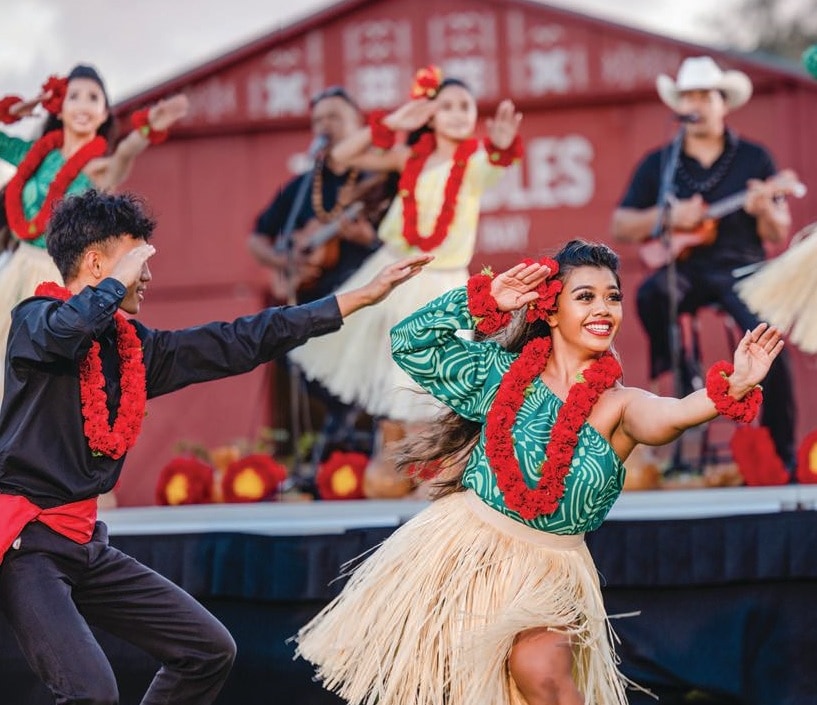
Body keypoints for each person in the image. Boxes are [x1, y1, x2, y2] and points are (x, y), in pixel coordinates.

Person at [294, 239, 784, 705]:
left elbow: (672, 414)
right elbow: (411, 344)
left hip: (550, 571)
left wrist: (732, 388)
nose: (603, 309)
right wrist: (486, 300)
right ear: (549, 311)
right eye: (585, 296)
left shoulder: (620, 407)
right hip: (463, 555)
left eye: (612, 297)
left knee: (542, 673)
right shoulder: (499, 376)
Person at [0, 189, 431, 705]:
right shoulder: (35, 321)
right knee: (93, 693)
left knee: (207, 650)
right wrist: (117, 279)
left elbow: (239, 340)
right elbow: (63, 332)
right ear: (97, 264)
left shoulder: (136, 351)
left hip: (85, 543)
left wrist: (352, 300)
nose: (149, 274)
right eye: (139, 259)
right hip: (26, 547)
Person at [288, 65, 523, 491]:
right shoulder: (408, 157)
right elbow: (340, 158)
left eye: (464, 106)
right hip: (395, 270)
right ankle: (392, 463)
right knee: (390, 368)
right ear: (429, 115)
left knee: (436, 379)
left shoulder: (473, 160)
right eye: (445, 105)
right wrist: (395, 122)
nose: (455, 113)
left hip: (442, 282)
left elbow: (493, 169)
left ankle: (433, 465)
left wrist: (501, 149)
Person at [610, 55, 798, 470]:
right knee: (651, 294)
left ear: (723, 102)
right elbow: (622, 223)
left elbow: (776, 233)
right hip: (688, 269)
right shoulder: (661, 162)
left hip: (745, 271)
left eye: (704, 95)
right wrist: (668, 217)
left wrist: (764, 208)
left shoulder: (754, 158)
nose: (695, 103)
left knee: (771, 338)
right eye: (687, 96)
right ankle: (686, 376)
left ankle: (779, 452)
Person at [0, 63, 188, 400]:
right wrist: (15, 111)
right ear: (60, 107)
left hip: (59, 277)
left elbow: (124, 157)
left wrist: (143, 134)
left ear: (104, 114)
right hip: (17, 267)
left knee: (43, 369)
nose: (84, 105)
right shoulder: (34, 155)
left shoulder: (97, 167)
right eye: (75, 96)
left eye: (93, 98)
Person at [248, 85, 393, 463]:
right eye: (318, 120)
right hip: (316, 296)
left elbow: (404, 242)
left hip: (368, 296)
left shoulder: (379, 178)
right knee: (287, 351)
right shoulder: (302, 186)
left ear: (359, 124)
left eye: (335, 117)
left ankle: (366, 434)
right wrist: (286, 262)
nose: (325, 125)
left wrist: (370, 238)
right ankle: (343, 422)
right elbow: (256, 239)